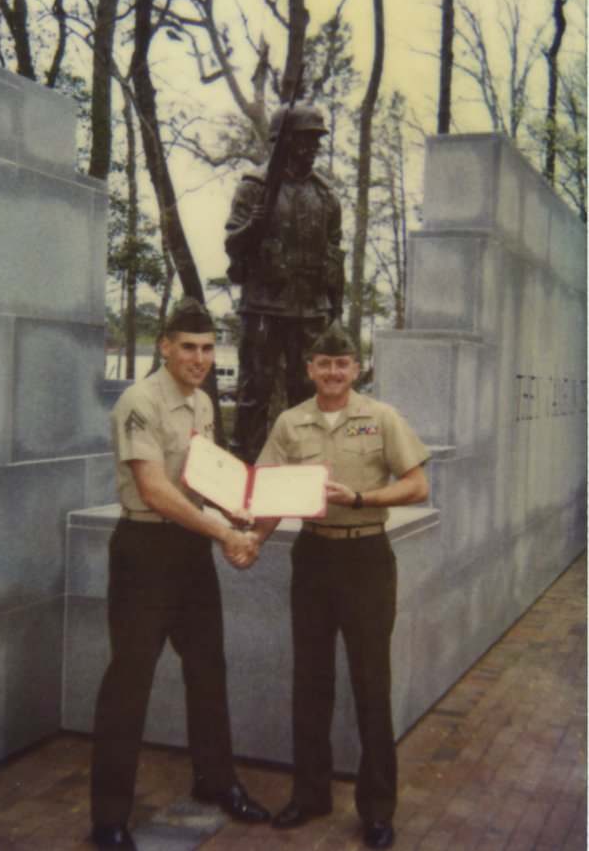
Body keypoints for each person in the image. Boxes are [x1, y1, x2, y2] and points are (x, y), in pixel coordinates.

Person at [90, 298, 269, 850]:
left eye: (208, 348)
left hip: (189, 551)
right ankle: (109, 819)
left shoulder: (202, 404)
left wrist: (238, 512)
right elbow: (156, 491)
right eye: (188, 347)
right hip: (146, 549)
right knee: (130, 681)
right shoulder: (140, 401)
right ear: (165, 346)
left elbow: (199, 480)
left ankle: (216, 782)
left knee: (208, 669)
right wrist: (223, 533)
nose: (199, 358)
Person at [251, 320, 430, 850]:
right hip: (313, 558)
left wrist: (359, 498)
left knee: (371, 683)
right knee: (311, 681)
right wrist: (250, 540)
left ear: (356, 369)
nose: (332, 372)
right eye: (323, 364)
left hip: (365, 556)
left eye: (342, 364)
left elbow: (417, 485)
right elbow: (268, 493)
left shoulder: (381, 418)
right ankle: (310, 795)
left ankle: (377, 809)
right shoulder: (290, 423)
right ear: (310, 369)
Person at [225, 104, 345, 463]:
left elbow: (335, 260)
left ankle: (307, 470)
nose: (312, 149)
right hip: (263, 307)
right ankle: (242, 471)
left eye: (315, 141)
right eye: (304, 140)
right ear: (282, 143)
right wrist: (253, 226)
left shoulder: (326, 195)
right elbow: (232, 244)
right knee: (253, 393)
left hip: (310, 310)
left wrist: (335, 312)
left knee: (308, 395)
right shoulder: (254, 188)